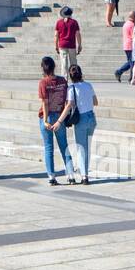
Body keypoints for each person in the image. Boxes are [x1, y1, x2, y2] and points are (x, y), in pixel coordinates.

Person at [50, 64, 99, 184]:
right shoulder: (88, 85)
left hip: (81, 120)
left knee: (81, 148)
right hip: (91, 118)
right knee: (87, 147)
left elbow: (68, 106)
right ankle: (85, 173)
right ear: (81, 74)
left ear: (71, 76)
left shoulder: (71, 89)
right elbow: (95, 102)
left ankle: (84, 176)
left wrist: (59, 121)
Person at [37, 56, 76, 184]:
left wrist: (46, 120)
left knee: (49, 148)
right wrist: (60, 119)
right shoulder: (63, 81)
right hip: (60, 116)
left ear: (43, 68)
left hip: (47, 116)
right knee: (64, 146)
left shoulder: (43, 82)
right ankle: (70, 175)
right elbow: (66, 101)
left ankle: (52, 177)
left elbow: (45, 103)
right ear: (54, 67)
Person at [55, 5, 82, 77]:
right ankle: (75, 78)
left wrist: (56, 46)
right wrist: (79, 45)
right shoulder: (74, 22)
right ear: (70, 14)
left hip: (62, 45)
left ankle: (64, 80)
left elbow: (56, 35)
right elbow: (78, 34)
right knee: (73, 63)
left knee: (64, 63)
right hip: (71, 45)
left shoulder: (59, 22)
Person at [115, 10, 135, 83]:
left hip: (126, 45)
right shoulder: (132, 25)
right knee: (133, 63)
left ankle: (119, 72)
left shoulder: (126, 24)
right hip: (131, 45)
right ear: (134, 17)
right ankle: (131, 78)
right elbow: (133, 36)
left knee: (130, 62)